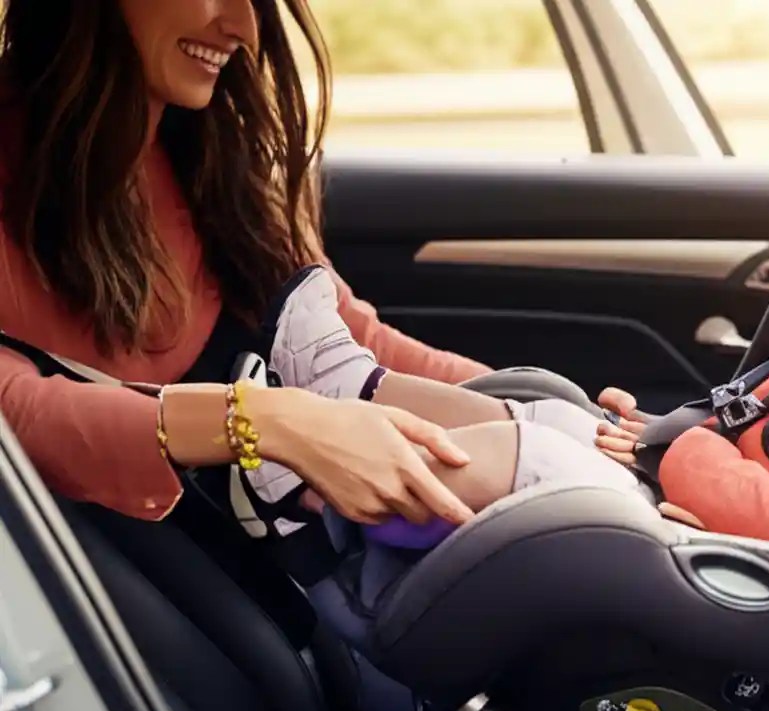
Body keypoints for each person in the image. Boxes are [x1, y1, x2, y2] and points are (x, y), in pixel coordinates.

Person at [252, 62, 769, 545]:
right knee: (551, 410)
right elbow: (759, 440)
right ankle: (348, 389)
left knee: (537, 459)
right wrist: (661, 429)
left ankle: (306, 485)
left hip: (695, 548)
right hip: (680, 496)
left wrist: (678, 455)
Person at [0, 0, 493, 530]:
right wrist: (263, 422)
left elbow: (354, 337)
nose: (244, 29)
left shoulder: (218, 161)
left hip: (286, 576)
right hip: (117, 593)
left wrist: (554, 418)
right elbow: (19, 415)